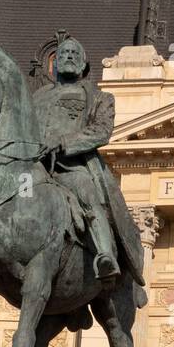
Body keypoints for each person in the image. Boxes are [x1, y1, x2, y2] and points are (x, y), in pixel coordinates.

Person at [32, 34, 120, 280]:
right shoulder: (37, 97)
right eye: (63, 54)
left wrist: (63, 143)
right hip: (34, 169)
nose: (68, 57)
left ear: (83, 64)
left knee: (86, 193)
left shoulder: (98, 97)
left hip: (69, 168)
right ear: (55, 63)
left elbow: (101, 131)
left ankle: (104, 255)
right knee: (7, 195)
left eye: (74, 54)